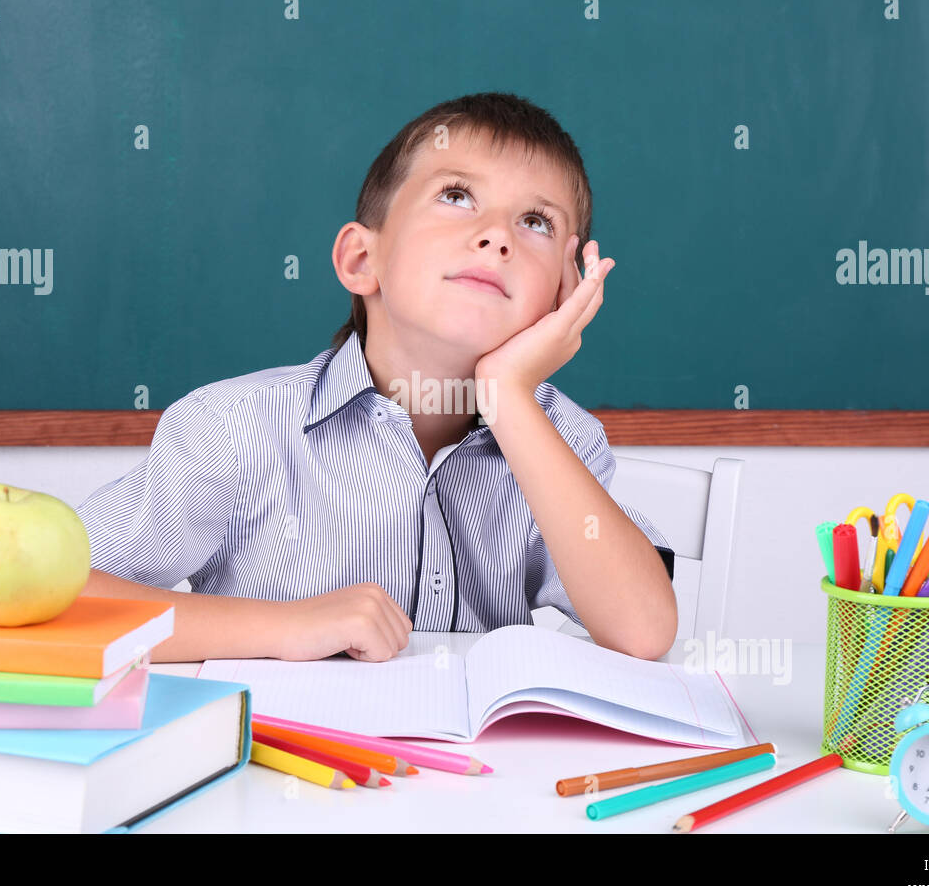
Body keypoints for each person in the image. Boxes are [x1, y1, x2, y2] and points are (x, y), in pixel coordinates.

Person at [76, 92, 677, 664]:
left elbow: (643, 633)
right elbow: (51, 602)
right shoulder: (236, 429)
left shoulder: (560, 439)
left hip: (481, 771)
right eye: (458, 195)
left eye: (537, 222)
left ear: (561, 299)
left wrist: (512, 399)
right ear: (363, 260)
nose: (497, 235)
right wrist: (289, 626)